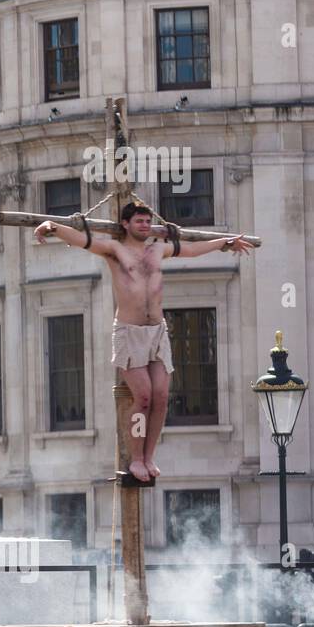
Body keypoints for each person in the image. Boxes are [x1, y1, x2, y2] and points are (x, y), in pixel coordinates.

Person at [35, 201, 253, 480]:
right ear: (125, 224)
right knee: (145, 396)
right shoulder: (115, 251)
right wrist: (52, 227)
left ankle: (149, 458)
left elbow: (192, 249)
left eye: (148, 222)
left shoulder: (158, 250)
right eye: (139, 221)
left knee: (162, 396)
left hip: (157, 332)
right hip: (129, 332)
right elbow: (82, 240)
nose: (145, 226)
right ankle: (136, 458)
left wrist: (224, 243)